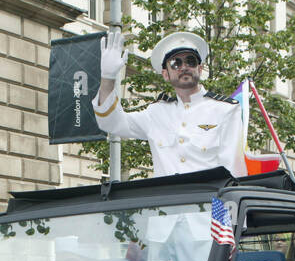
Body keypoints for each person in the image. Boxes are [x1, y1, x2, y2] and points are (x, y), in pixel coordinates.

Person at [92, 30, 245, 177]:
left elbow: (232, 171)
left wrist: (217, 205)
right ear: (165, 74)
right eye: (175, 63)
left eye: (190, 61)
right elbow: (111, 123)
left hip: (208, 201)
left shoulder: (226, 110)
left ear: (200, 68)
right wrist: (108, 77)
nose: (184, 67)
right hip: (167, 202)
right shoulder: (156, 113)